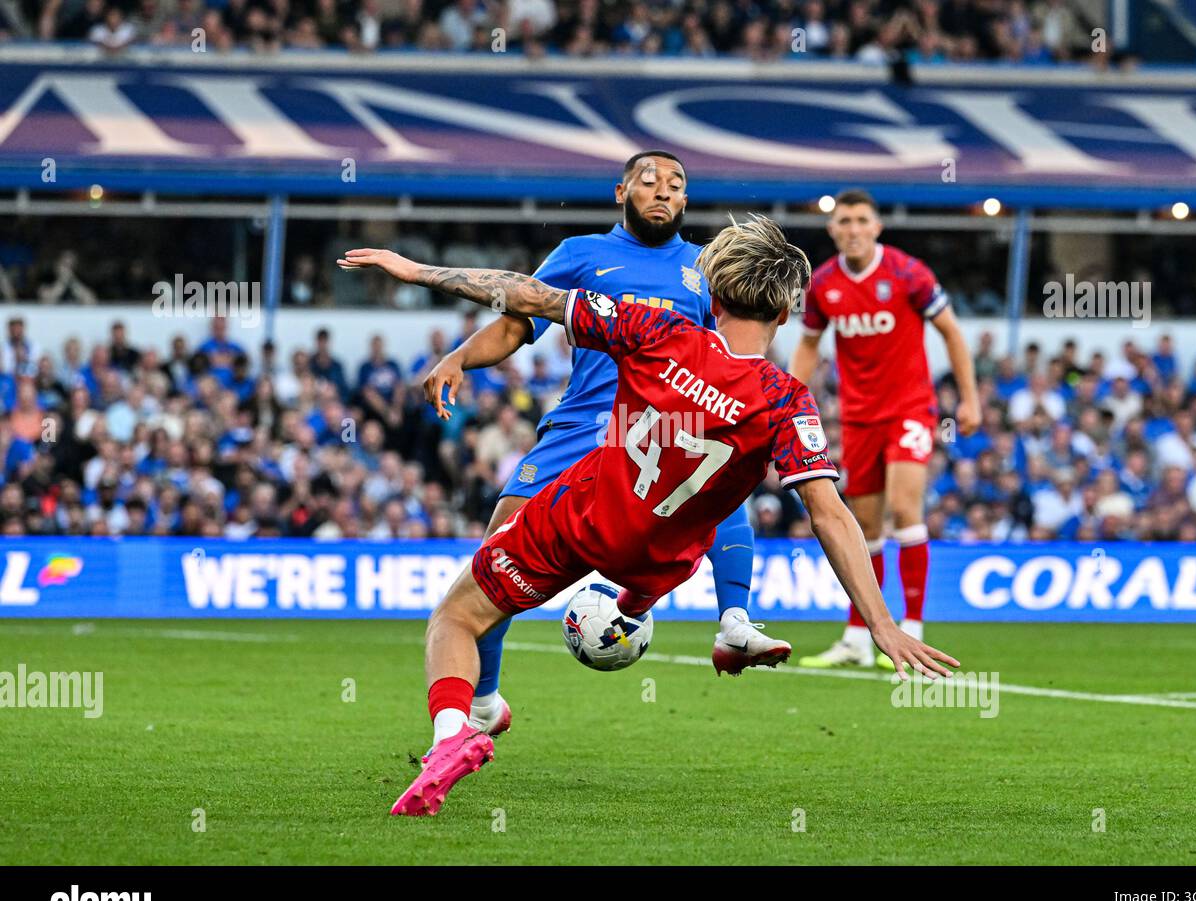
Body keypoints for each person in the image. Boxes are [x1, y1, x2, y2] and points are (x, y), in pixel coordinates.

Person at [337, 215, 960, 817]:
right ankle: (726, 622)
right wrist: (882, 622)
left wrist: (417, 271)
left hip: (582, 520)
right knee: (720, 504)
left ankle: (454, 734)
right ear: (784, 313)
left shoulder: (655, 330)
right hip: (663, 559)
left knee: (457, 616)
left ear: (711, 296)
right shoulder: (786, 401)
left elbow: (524, 292)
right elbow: (829, 513)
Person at [420, 151, 770, 740]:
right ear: (620, 192)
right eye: (648, 181)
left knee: (722, 487)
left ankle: (734, 619)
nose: (662, 191)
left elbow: (735, 349)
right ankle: (483, 701)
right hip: (584, 423)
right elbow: (516, 322)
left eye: (675, 185)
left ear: (685, 201)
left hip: (661, 425)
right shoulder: (581, 254)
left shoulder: (706, 269)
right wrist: (460, 356)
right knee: (497, 552)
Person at [790, 189, 980, 669]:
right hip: (858, 417)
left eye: (861, 220)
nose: (852, 229)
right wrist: (787, 396)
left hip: (910, 409)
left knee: (903, 507)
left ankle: (911, 627)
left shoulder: (907, 273)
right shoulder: (824, 284)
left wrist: (970, 398)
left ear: (876, 227)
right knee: (866, 526)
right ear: (832, 230)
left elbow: (952, 332)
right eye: (844, 221)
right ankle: (857, 636)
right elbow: (809, 344)